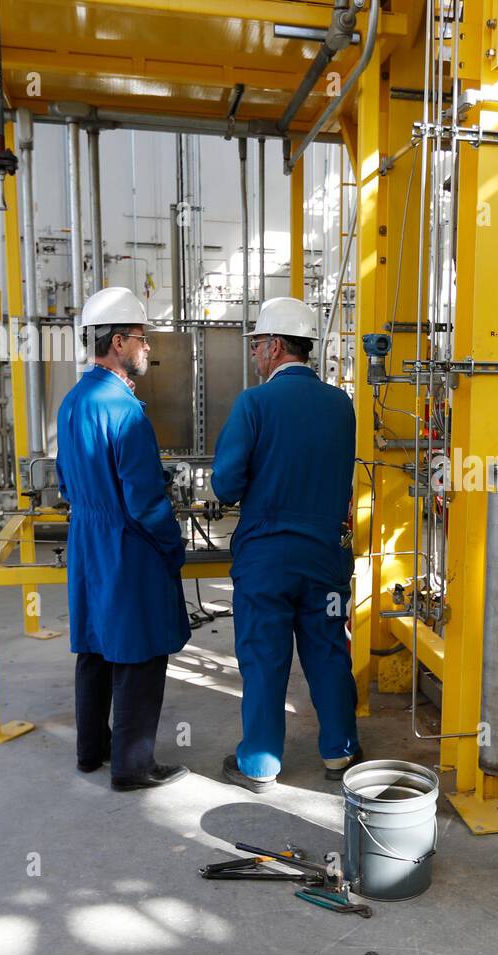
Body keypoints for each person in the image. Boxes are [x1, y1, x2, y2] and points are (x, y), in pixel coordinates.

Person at [212, 297, 360, 792]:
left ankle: (259, 764)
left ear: (274, 346)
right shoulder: (342, 405)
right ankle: (340, 752)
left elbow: (226, 484)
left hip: (266, 559)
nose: (255, 353)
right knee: (328, 651)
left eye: (256, 344)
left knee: (264, 656)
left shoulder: (254, 403)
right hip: (326, 557)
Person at [56, 286, 191, 791]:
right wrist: (171, 545)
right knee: (139, 651)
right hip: (128, 544)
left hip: (87, 538)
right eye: (141, 338)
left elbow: (66, 481)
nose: (147, 348)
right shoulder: (126, 411)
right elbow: (145, 501)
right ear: (117, 342)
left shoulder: (73, 402)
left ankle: (92, 750)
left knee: (94, 645)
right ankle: (133, 766)